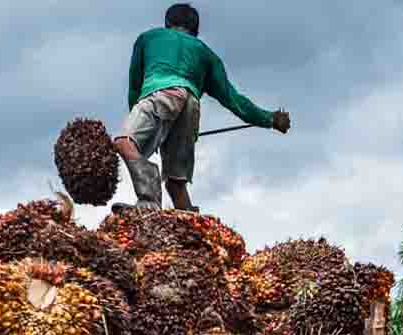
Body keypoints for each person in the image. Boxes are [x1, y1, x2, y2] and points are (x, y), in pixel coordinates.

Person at [113, 3, 291, 213]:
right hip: (191, 105)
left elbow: (135, 87)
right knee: (175, 182)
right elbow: (234, 100)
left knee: (124, 143)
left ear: (167, 24)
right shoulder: (206, 54)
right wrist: (270, 119)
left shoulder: (149, 38)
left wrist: (143, 133)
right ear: (195, 30)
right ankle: (191, 228)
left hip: (161, 95)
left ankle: (148, 201)